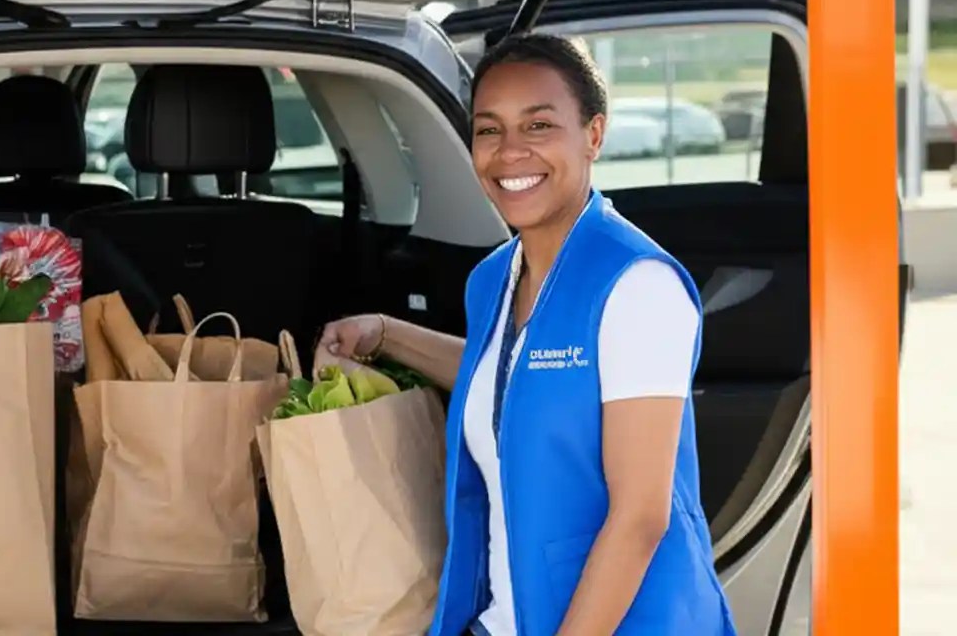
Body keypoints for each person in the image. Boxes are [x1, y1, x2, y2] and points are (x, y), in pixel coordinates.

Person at [315, 34, 737, 635]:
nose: (510, 152)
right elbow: (511, 376)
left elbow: (641, 516)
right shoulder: (494, 278)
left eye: (538, 126)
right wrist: (384, 334)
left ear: (593, 135)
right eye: (489, 131)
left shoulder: (636, 284)